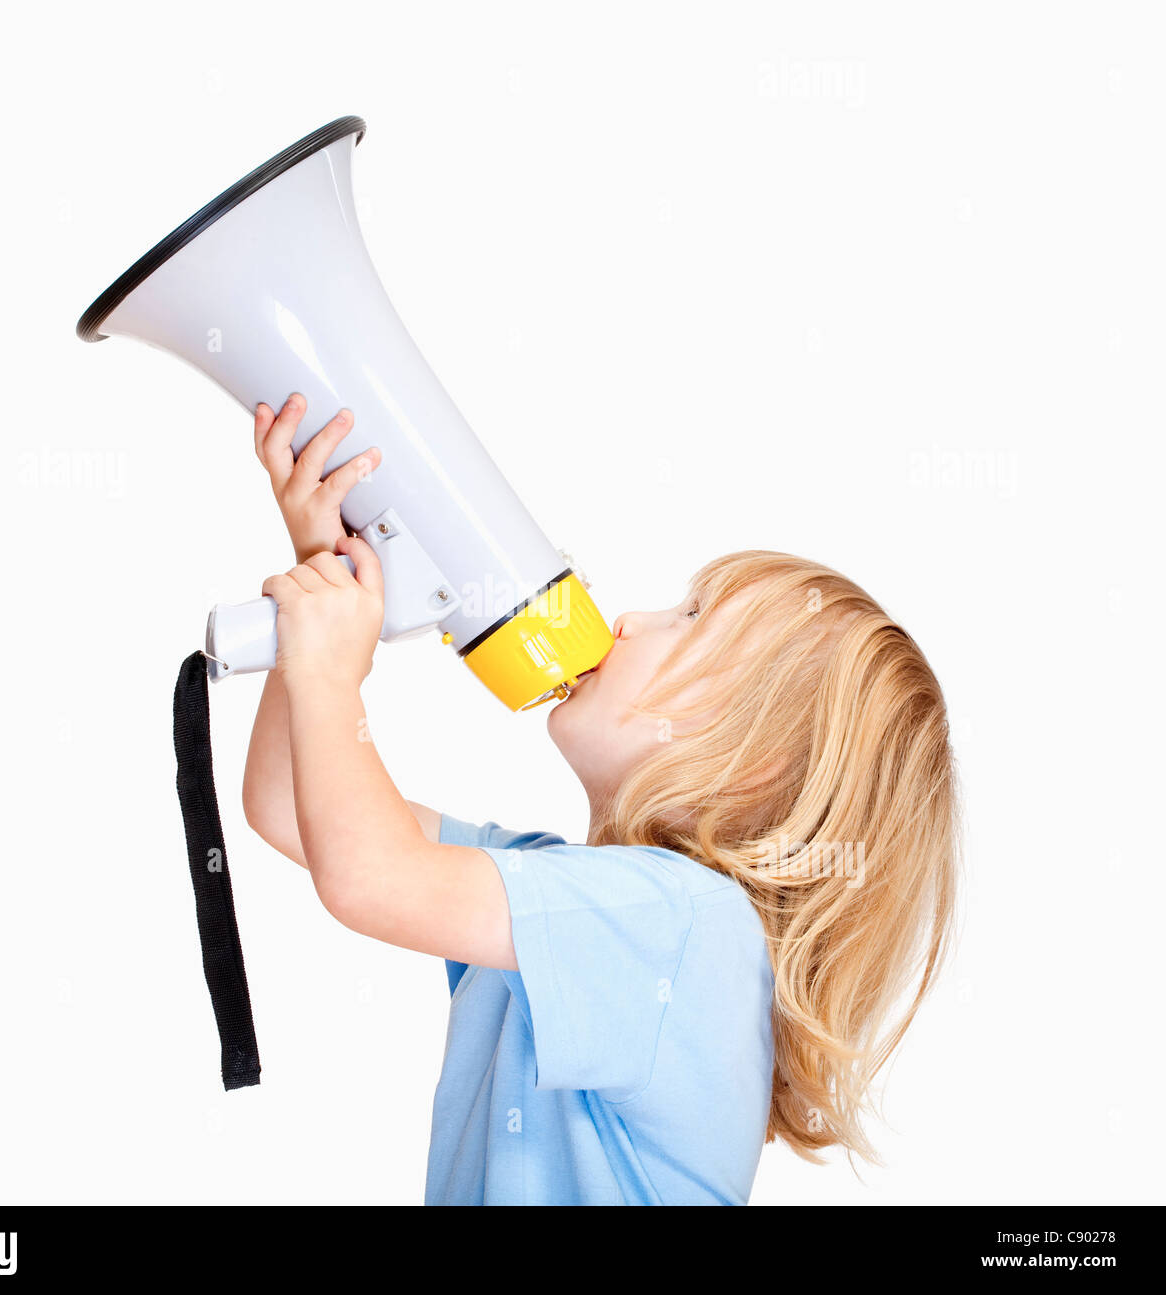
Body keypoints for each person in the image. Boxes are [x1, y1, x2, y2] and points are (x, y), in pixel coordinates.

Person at [242, 394, 959, 1205]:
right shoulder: (562, 889)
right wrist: (322, 583)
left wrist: (331, 672)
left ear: (751, 765)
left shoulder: (684, 924)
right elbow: (284, 805)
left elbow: (371, 875)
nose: (627, 619)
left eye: (688, 620)